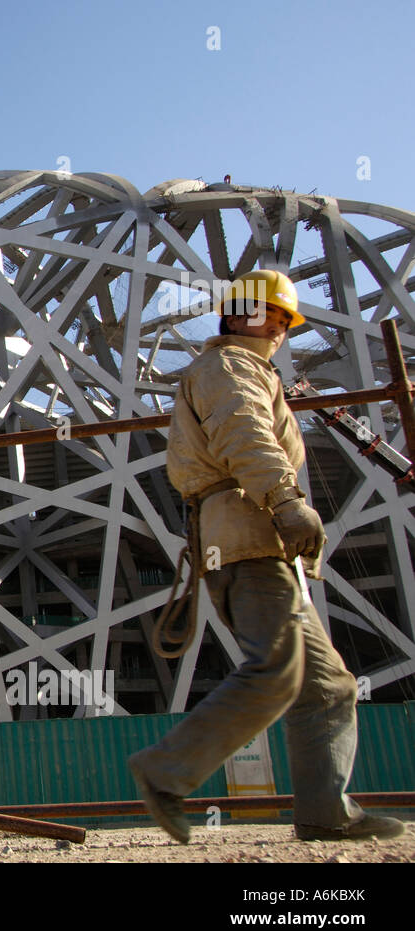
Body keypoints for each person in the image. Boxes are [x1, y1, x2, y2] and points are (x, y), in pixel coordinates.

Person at [129, 269, 405, 844]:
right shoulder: (229, 368)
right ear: (242, 315)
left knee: (328, 689)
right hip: (247, 538)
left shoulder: (249, 369)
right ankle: (165, 770)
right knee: (277, 671)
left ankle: (327, 814)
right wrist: (285, 499)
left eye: (286, 322)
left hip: (257, 541)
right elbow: (244, 433)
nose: (280, 329)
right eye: (274, 317)